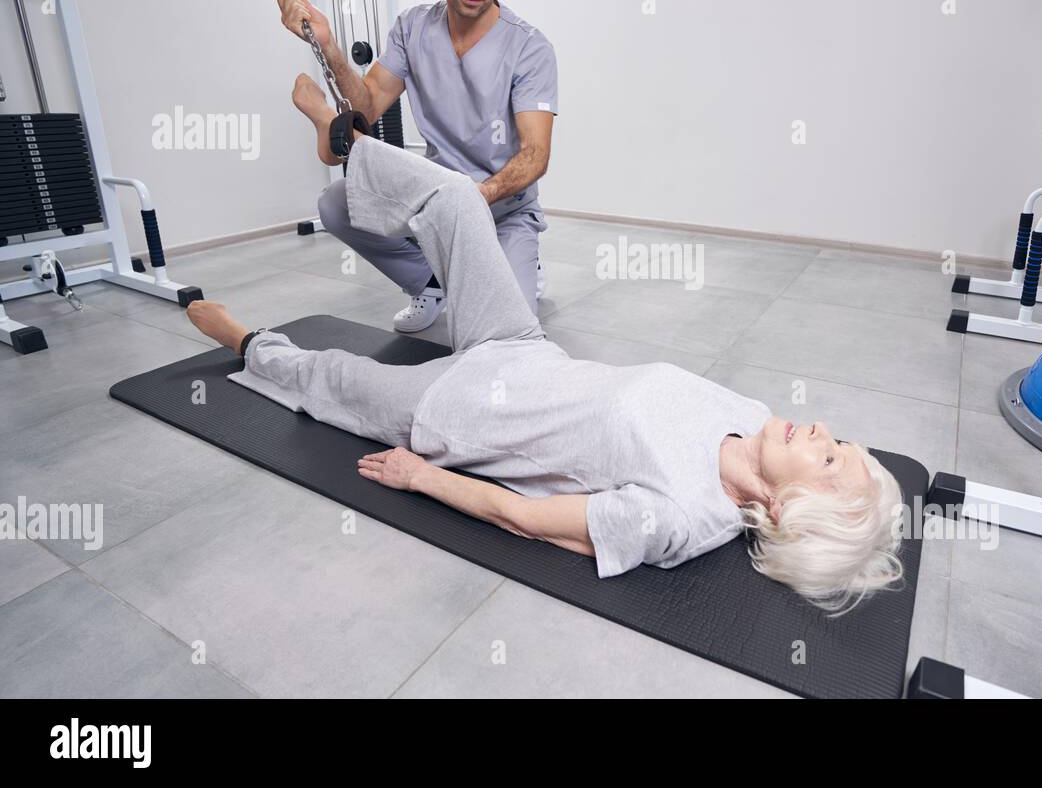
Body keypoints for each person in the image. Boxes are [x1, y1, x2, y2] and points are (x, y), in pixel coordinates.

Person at [183, 76, 905, 616]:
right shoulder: (752, 414)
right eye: (839, 442)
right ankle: (346, 145)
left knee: (330, 379)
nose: (820, 431)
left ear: (782, 510)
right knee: (461, 202)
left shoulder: (676, 518)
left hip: (454, 413)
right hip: (522, 350)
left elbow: (527, 520)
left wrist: (423, 477)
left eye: (830, 458)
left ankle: (247, 341)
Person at [276, 0, 556, 332]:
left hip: (503, 209)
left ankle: (517, 263)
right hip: (435, 194)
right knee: (337, 203)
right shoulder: (413, 28)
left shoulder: (529, 48)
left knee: (506, 336)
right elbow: (366, 107)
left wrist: (475, 200)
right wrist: (329, 45)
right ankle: (429, 281)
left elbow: (535, 154)